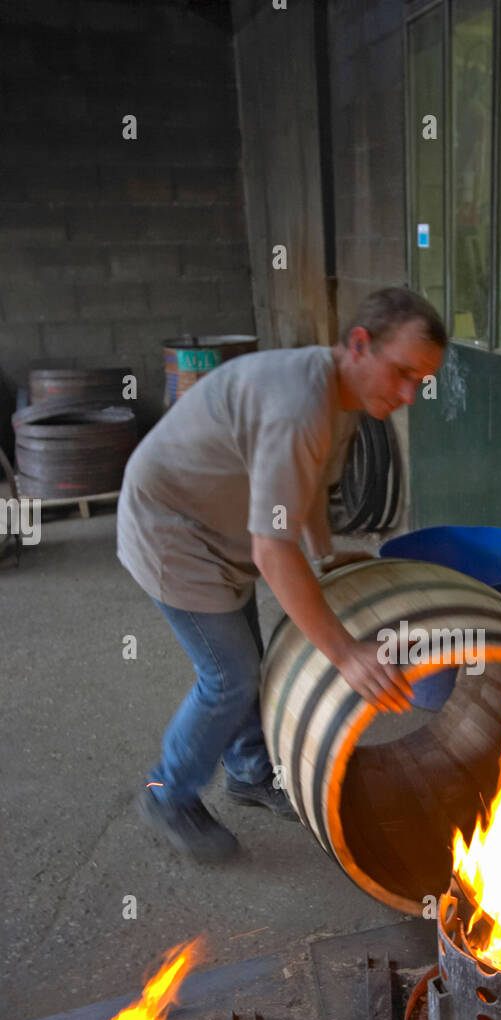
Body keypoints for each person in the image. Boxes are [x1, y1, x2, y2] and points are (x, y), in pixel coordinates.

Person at [117, 285, 447, 863]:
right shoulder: (300, 406)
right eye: (402, 373)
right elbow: (272, 550)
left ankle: (249, 772)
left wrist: (322, 557)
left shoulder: (340, 398)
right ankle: (167, 793)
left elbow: (307, 489)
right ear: (359, 344)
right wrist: (347, 654)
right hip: (172, 533)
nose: (407, 395)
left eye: (419, 381)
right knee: (229, 676)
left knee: (247, 658)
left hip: (221, 527)